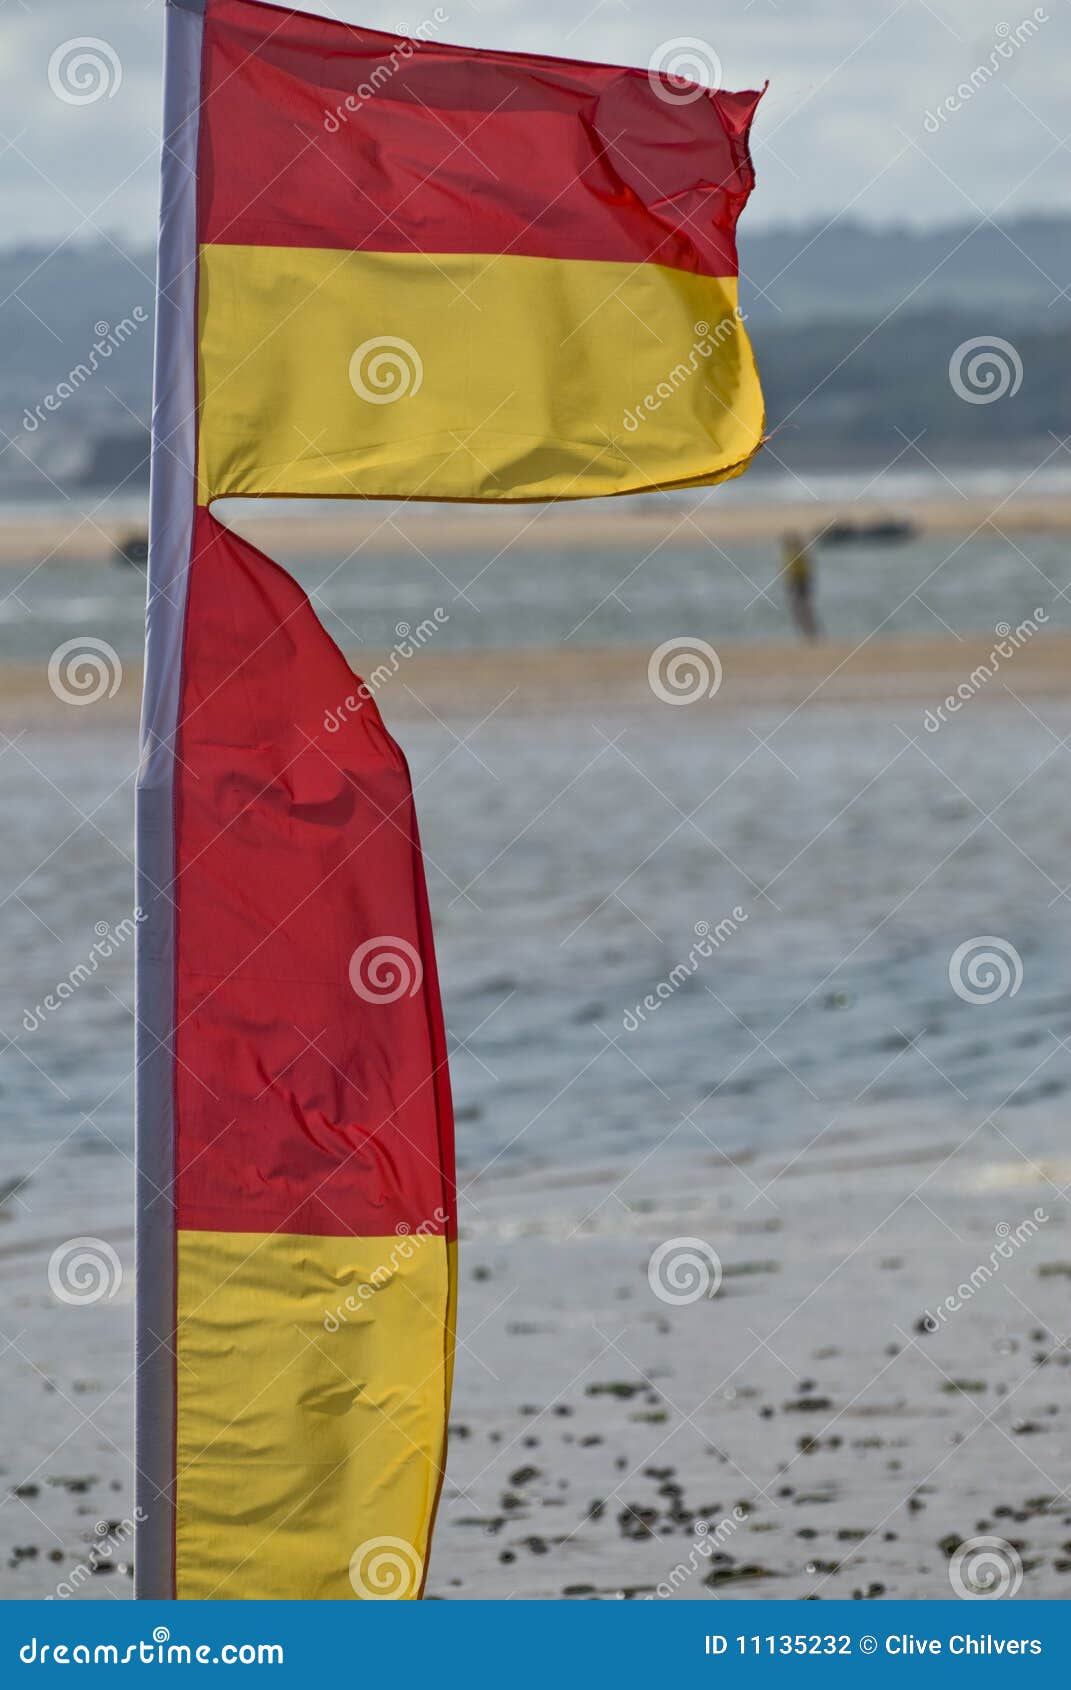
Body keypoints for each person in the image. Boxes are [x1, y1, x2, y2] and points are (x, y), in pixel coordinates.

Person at [781, 530, 820, 640]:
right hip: (796, 585)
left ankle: (810, 633)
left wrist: (796, 585)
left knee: (802, 609)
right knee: (799, 610)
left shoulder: (798, 555)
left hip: (800, 585)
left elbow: (806, 573)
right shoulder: (792, 555)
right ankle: (807, 633)